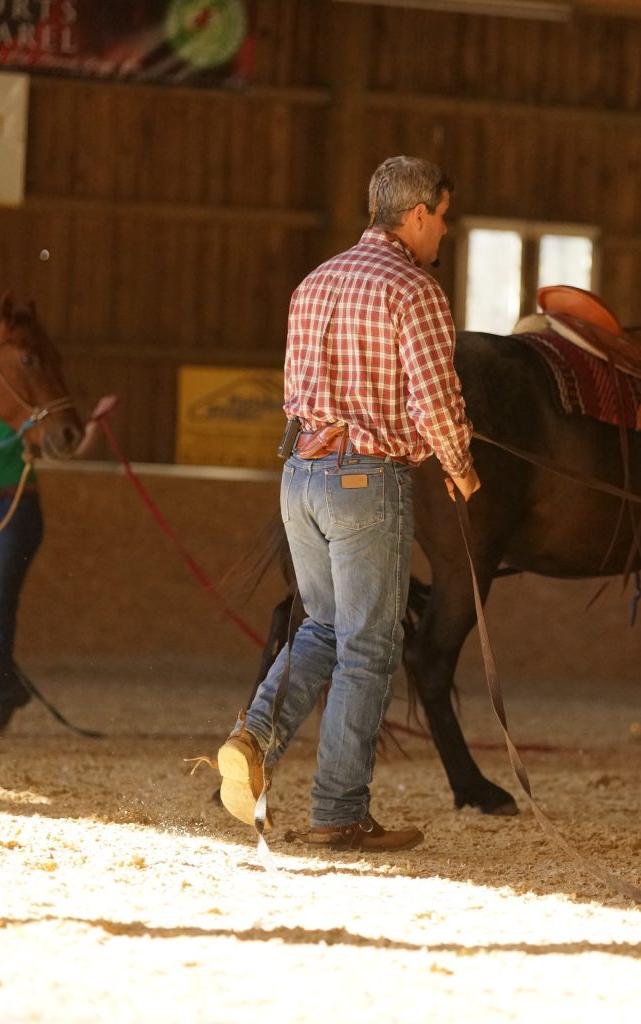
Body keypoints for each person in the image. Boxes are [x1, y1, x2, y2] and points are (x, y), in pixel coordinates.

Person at [214, 155, 479, 853]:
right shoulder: (413, 290)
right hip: (366, 481)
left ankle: (253, 740)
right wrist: (460, 468)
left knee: (323, 629)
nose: (443, 233)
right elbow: (434, 397)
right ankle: (339, 810)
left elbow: (295, 391)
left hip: (300, 475)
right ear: (417, 214)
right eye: (442, 219)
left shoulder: (315, 283)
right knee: (370, 645)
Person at [0, 395, 117, 736]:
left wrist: (96, 422)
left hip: (14, 505)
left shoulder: (29, 407)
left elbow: (68, 451)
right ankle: (8, 686)